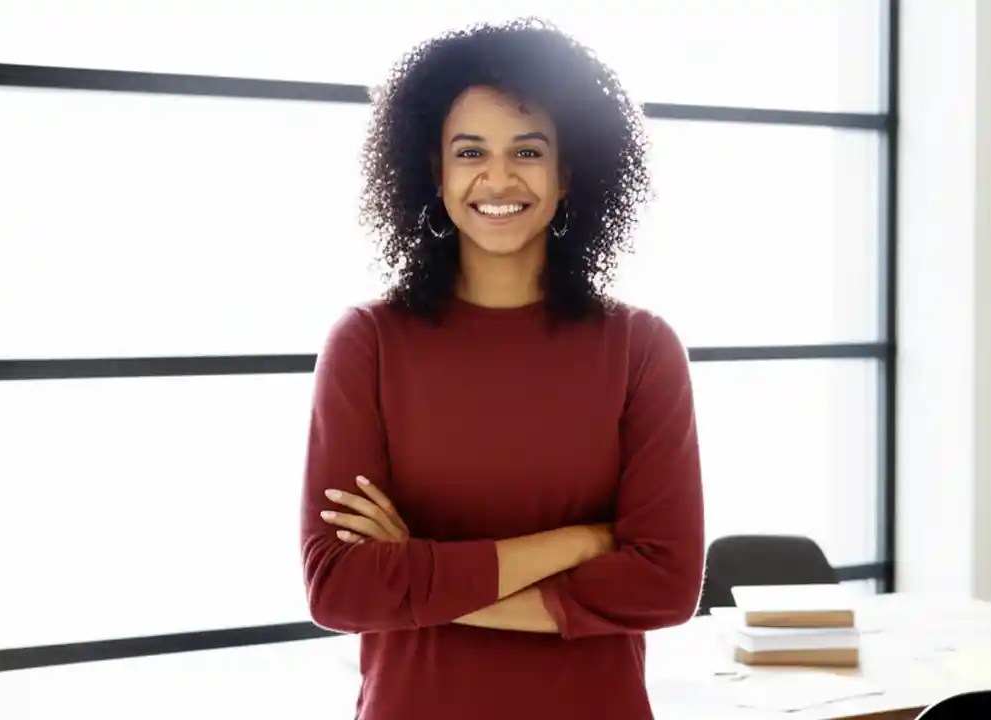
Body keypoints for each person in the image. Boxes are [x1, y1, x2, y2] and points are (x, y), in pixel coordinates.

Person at [299, 17, 705, 720]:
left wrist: (418, 577)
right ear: (436, 172)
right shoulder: (368, 344)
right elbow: (340, 588)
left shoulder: (641, 348)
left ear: (566, 172)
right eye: (470, 152)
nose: (498, 177)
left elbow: (665, 586)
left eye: (527, 150)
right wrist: (579, 543)